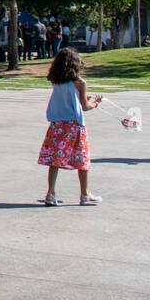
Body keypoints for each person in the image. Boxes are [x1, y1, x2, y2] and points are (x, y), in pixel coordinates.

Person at [38, 48, 103, 206]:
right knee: (82, 159)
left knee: (55, 160)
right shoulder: (80, 82)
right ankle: (84, 195)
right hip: (74, 126)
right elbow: (85, 107)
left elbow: (67, 97)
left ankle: (50, 193)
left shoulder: (56, 80)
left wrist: (81, 97)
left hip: (57, 125)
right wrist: (96, 102)